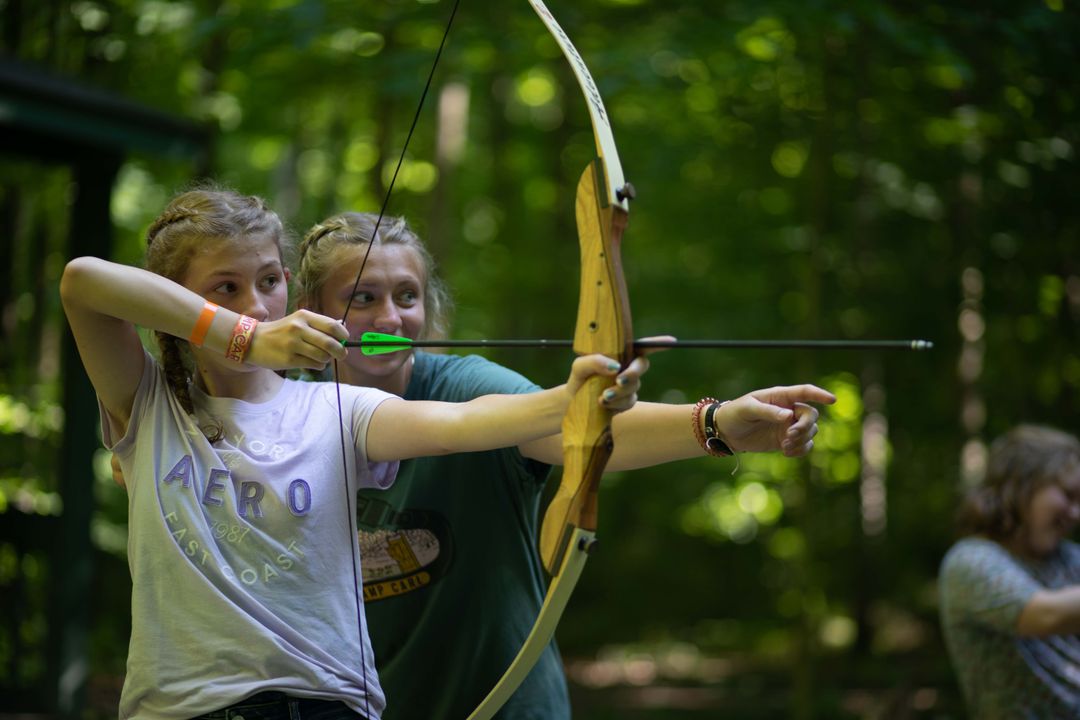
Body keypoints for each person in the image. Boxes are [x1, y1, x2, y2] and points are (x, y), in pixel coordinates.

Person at [61, 188, 650, 720]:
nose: (259, 305)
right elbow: (83, 281)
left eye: (269, 281)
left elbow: (464, 421)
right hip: (181, 709)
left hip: (328, 706)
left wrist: (577, 397)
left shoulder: (338, 407)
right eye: (226, 287)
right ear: (175, 302)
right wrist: (241, 337)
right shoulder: (149, 406)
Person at [295, 211, 838, 719]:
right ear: (312, 310)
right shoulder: (284, 408)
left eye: (407, 296)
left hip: (506, 704)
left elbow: (580, 433)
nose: (389, 316)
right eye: (363, 297)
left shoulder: (465, 386)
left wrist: (719, 424)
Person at [939, 424, 1080, 719]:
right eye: (1068, 494)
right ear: (1022, 485)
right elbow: (1046, 614)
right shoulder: (971, 560)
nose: (1075, 512)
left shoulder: (1067, 557)